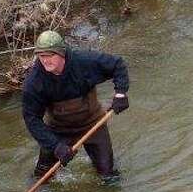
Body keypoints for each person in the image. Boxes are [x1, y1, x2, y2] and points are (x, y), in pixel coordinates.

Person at [21, 30, 130, 181]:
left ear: (62, 53)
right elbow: (32, 119)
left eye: (50, 55)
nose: (45, 60)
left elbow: (117, 64)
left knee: (108, 175)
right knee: (42, 178)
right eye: (41, 56)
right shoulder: (34, 83)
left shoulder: (85, 61)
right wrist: (55, 145)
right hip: (59, 131)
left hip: (93, 124)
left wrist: (120, 93)